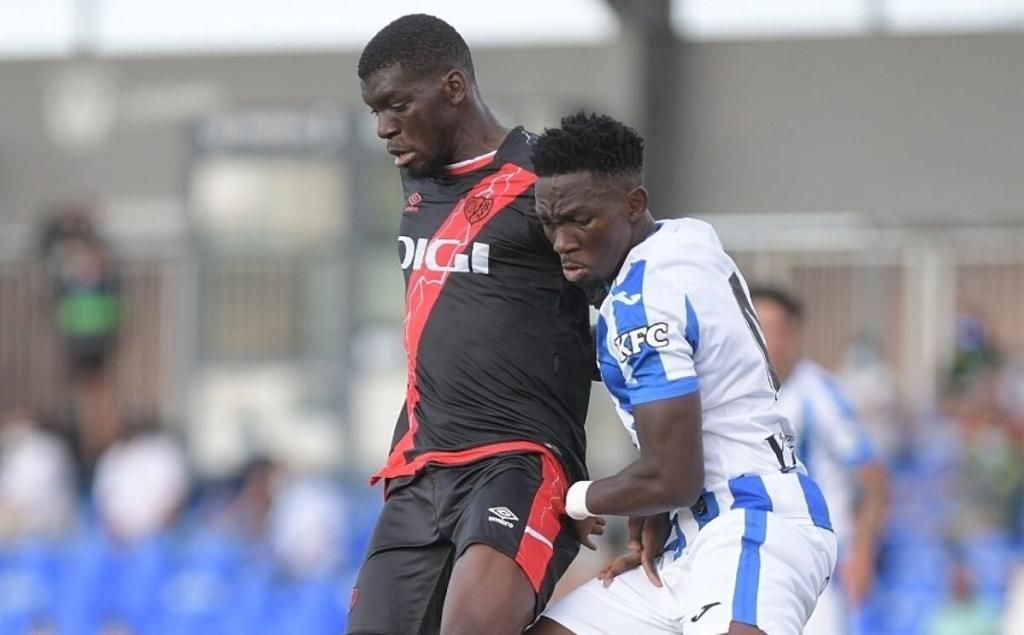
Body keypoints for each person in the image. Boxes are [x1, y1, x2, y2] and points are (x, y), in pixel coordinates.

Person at [528, 112, 836, 635]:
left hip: (750, 522)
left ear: (633, 204)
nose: (561, 241)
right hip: (681, 541)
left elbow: (672, 476)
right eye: (550, 224)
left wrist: (572, 499)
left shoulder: (642, 298)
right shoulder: (686, 238)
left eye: (580, 219)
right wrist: (654, 505)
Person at [349, 14, 598, 635]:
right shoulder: (417, 179)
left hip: (517, 463)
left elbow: (638, 316)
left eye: (397, 106)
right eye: (375, 111)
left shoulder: (549, 180)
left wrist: (646, 488)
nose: (383, 128)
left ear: (454, 88)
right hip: (418, 469)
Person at [751, 287, 890, 634]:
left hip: (815, 566)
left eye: (774, 330)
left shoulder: (821, 395)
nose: (765, 341)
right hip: (755, 556)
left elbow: (874, 479)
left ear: (793, 335)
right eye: (756, 327)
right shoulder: (735, 394)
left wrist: (863, 552)